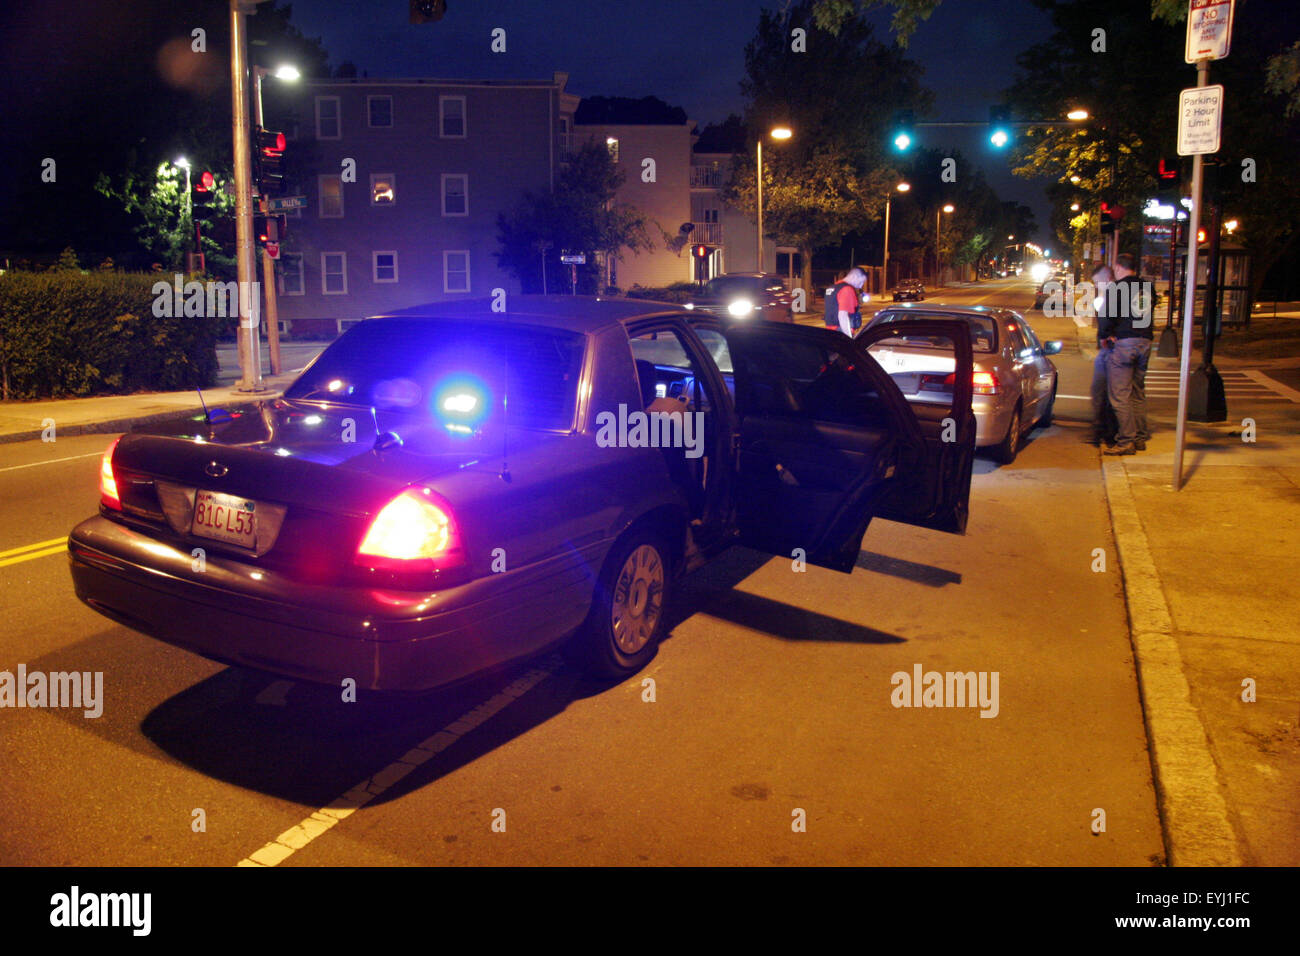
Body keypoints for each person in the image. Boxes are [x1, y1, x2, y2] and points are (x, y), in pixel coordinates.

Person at [1102, 253, 1154, 455]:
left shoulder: (1117, 288)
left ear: (1119, 267)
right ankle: (1140, 437)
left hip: (1125, 342)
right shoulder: (1147, 288)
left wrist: (1106, 335)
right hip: (1145, 342)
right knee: (1138, 392)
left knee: (1120, 395)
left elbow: (1108, 317)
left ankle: (1126, 441)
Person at [1088, 264, 1118, 446]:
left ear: (1106, 279)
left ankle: (1104, 429)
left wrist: (1106, 336)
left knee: (1101, 390)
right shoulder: (1113, 294)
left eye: (1098, 282)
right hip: (1112, 346)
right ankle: (1104, 427)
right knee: (1105, 390)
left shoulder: (1113, 294)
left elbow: (1108, 321)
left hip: (1111, 348)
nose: (1097, 286)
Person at [824, 267, 867, 336]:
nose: (861, 286)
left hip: (831, 332)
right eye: (861, 281)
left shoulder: (832, 288)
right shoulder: (847, 289)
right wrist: (848, 338)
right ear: (855, 276)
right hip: (842, 332)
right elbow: (843, 316)